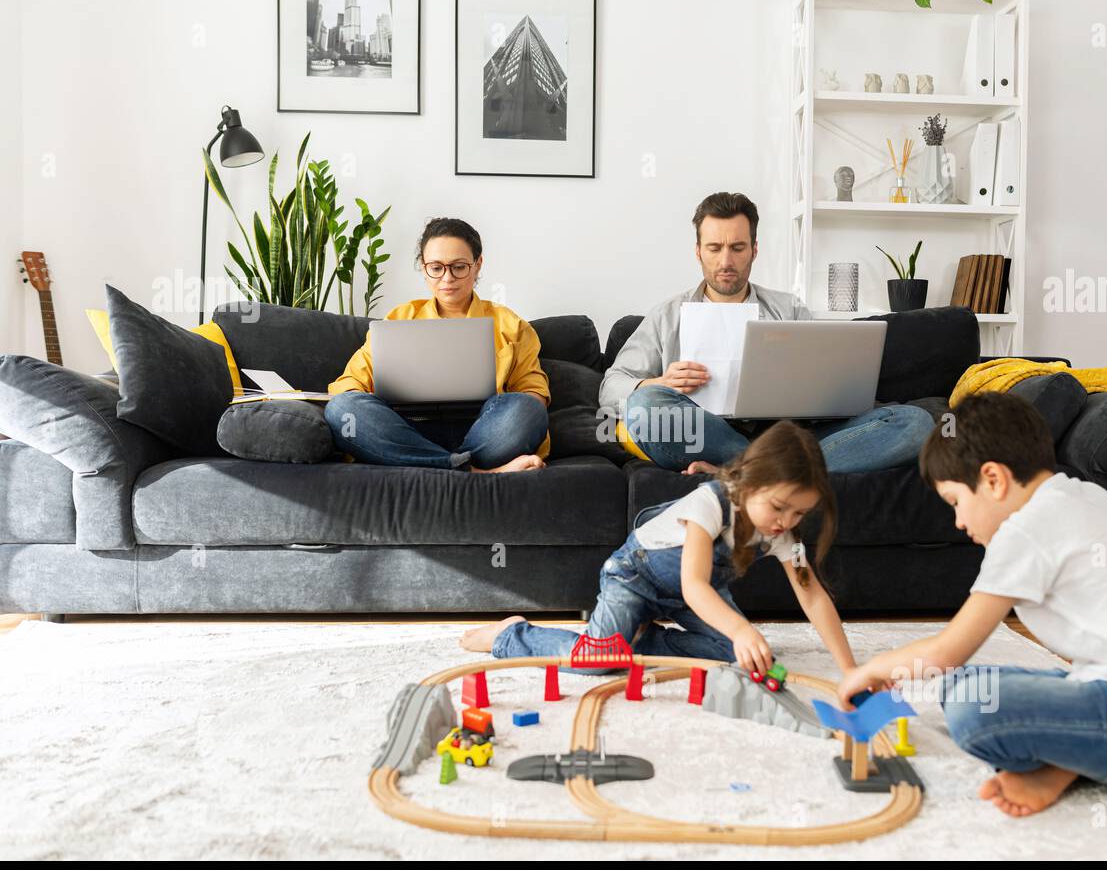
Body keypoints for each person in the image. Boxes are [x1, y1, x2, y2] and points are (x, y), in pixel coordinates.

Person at [837, 392, 1107, 817]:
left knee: (973, 707)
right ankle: (1062, 767)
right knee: (965, 683)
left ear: (993, 479)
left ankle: (1068, 762)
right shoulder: (1075, 498)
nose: (958, 522)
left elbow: (947, 651)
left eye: (956, 503)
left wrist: (871, 669)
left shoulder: (1027, 530)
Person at [461, 421, 857, 676]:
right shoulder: (709, 503)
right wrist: (740, 628)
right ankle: (511, 636)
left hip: (687, 596)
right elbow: (695, 585)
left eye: (799, 513)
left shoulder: (783, 534)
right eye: (778, 508)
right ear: (750, 482)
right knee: (598, 662)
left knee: (739, 656)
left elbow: (813, 596)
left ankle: (641, 641)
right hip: (635, 578)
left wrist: (850, 668)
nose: (785, 522)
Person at [598, 191, 933, 476]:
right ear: (698, 251)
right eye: (714, 248)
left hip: (790, 435)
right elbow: (611, 387)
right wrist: (659, 383)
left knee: (915, 423)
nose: (726, 260)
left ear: (754, 250)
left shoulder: (790, 310)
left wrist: (823, 392)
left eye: (738, 247)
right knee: (645, 407)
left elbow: (829, 389)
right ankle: (774, 471)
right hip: (710, 434)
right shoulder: (668, 314)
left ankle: (749, 471)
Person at [324, 217, 550, 474]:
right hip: (407, 429)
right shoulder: (399, 319)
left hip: (485, 430)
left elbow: (535, 394)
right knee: (342, 409)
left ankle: (435, 464)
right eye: (436, 267)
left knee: (528, 410)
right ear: (423, 267)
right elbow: (348, 385)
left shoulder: (511, 324)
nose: (447, 277)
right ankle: (471, 471)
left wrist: (520, 411)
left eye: (459, 267)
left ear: (477, 265)